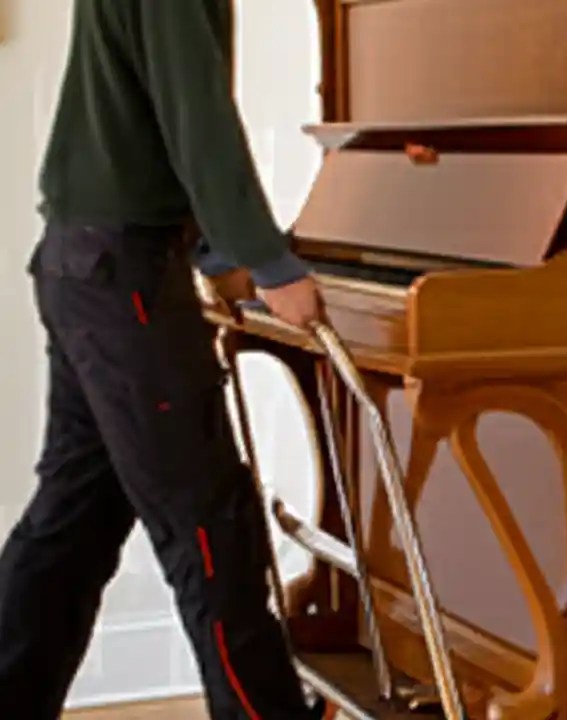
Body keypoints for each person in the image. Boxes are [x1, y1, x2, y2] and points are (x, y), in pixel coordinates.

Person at [0, 0, 324, 717]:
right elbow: (195, 112)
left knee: (74, 517)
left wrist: (215, 246)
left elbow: (147, 108)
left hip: (85, 262)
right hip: (124, 278)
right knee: (210, 527)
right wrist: (267, 261)